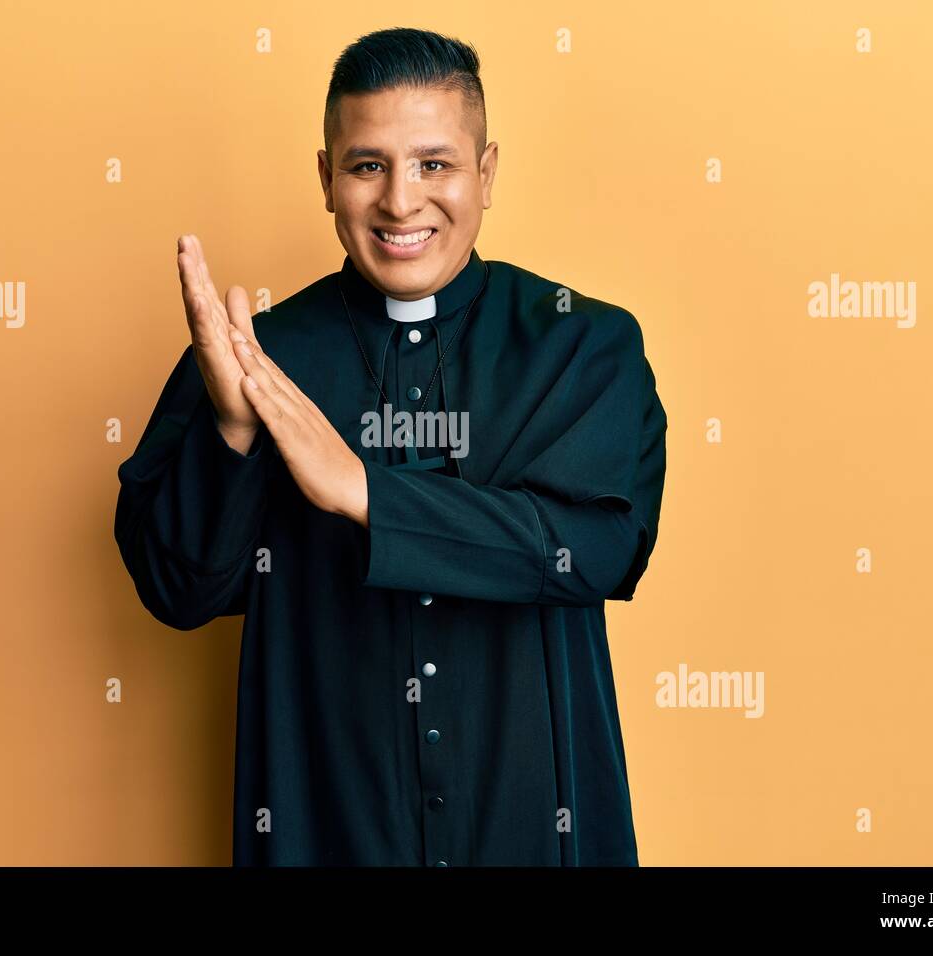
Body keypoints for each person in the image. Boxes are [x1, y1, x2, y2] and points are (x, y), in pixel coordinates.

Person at [114, 27, 668, 866]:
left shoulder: (581, 346)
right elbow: (177, 592)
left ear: (486, 173)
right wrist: (231, 432)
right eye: (367, 165)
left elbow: (596, 553)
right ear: (326, 180)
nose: (401, 201)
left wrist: (363, 492)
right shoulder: (255, 355)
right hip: (322, 823)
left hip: (534, 827)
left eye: (435, 164)